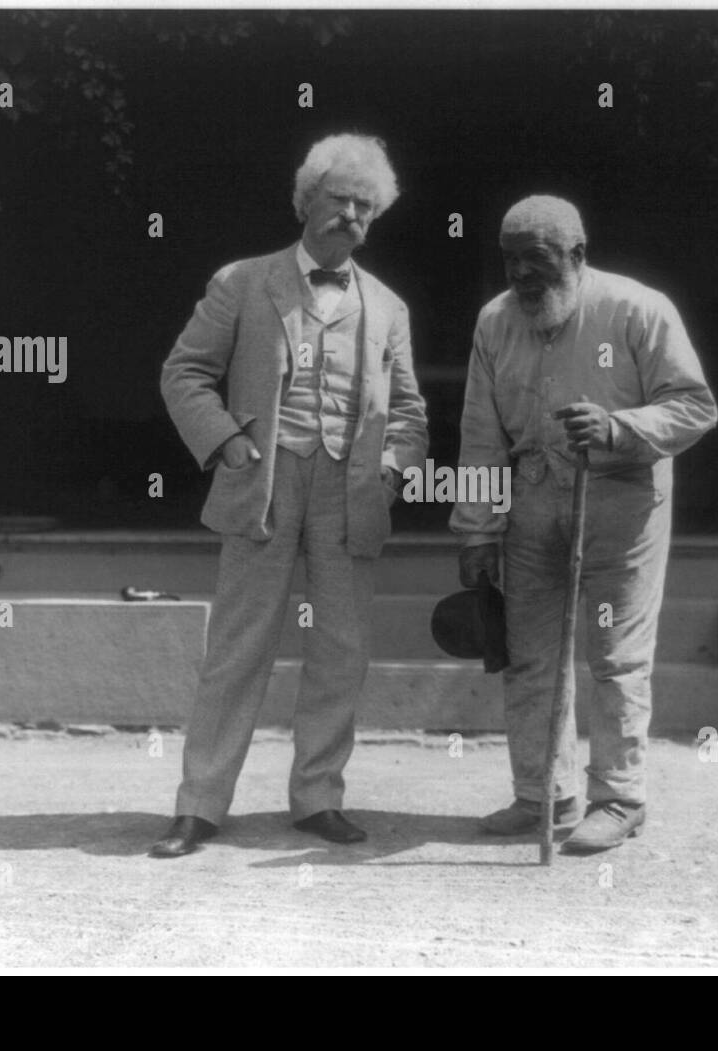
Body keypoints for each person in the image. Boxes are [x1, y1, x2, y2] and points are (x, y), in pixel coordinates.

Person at [151, 134, 428, 857]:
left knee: (341, 649)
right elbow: (183, 373)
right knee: (238, 648)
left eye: (365, 207)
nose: (351, 216)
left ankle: (318, 797)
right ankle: (201, 804)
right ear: (306, 202)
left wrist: (393, 469)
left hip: (350, 489)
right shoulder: (242, 282)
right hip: (263, 483)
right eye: (339, 200)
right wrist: (228, 442)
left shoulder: (389, 307)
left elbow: (409, 412)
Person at [451, 195, 717, 854]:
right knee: (529, 655)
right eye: (510, 260)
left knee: (617, 658)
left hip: (621, 503)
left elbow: (694, 406)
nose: (520, 275)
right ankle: (544, 792)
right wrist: (478, 528)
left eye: (536, 260)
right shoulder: (494, 322)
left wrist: (618, 427)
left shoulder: (637, 309)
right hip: (534, 501)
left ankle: (620, 797)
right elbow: (481, 432)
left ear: (577, 254)